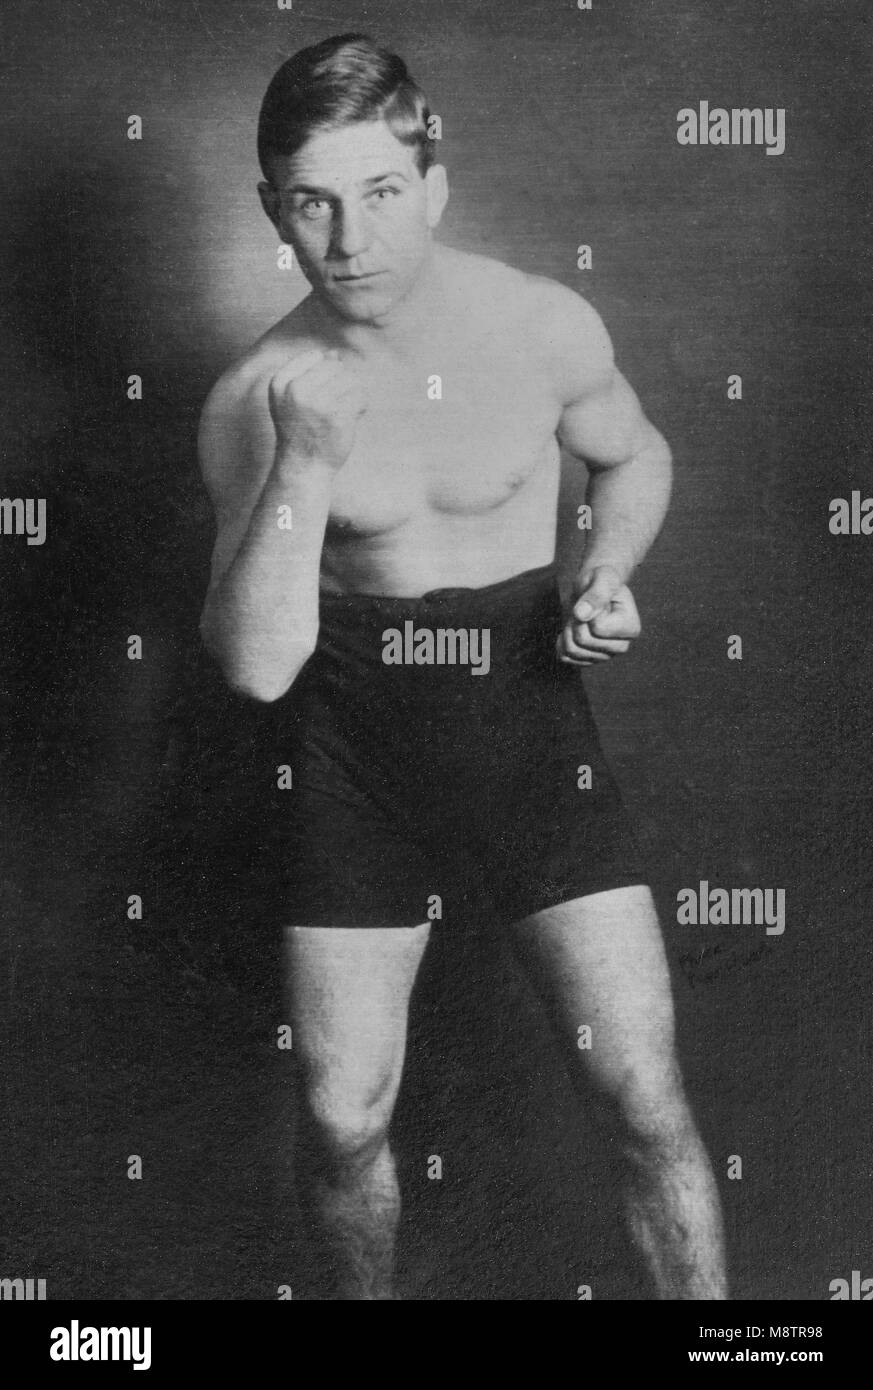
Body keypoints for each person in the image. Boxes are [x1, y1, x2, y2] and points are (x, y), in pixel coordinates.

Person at [197, 32, 726, 1300]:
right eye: (314, 203)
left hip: (530, 722)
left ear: (435, 185)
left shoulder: (541, 324)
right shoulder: (253, 394)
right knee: (341, 1117)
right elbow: (260, 669)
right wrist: (307, 464)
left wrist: (606, 572)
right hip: (352, 750)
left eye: (382, 193)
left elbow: (635, 453)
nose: (352, 237)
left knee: (645, 1095)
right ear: (274, 211)